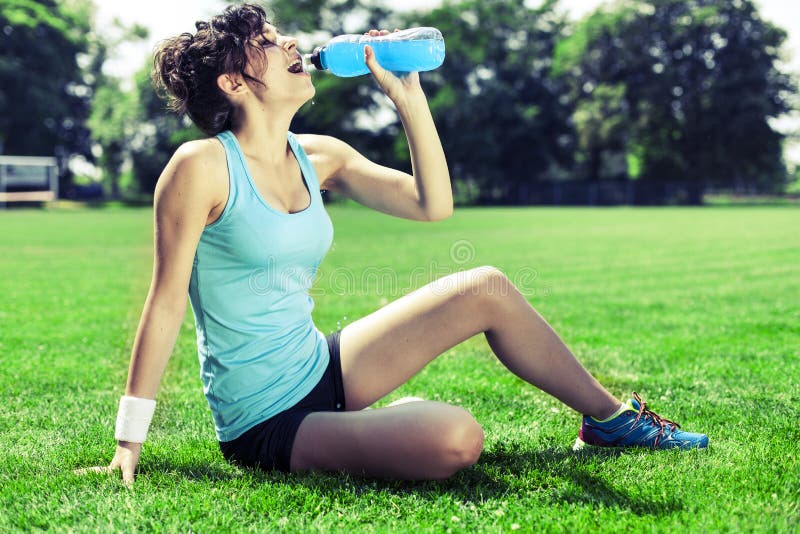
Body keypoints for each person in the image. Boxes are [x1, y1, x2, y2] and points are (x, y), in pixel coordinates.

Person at [92, 4, 708, 485]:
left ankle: (610, 422)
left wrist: (408, 101)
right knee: (457, 440)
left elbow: (431, 204)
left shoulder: (320, 156)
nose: (290, 44)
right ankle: (370, 427)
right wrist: (129, 440)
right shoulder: (199, 167)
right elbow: (167, 301)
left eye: (282, 35)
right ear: (233, 81)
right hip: (266, 419)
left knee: (485, 286)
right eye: (267, 42)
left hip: (321, 365)